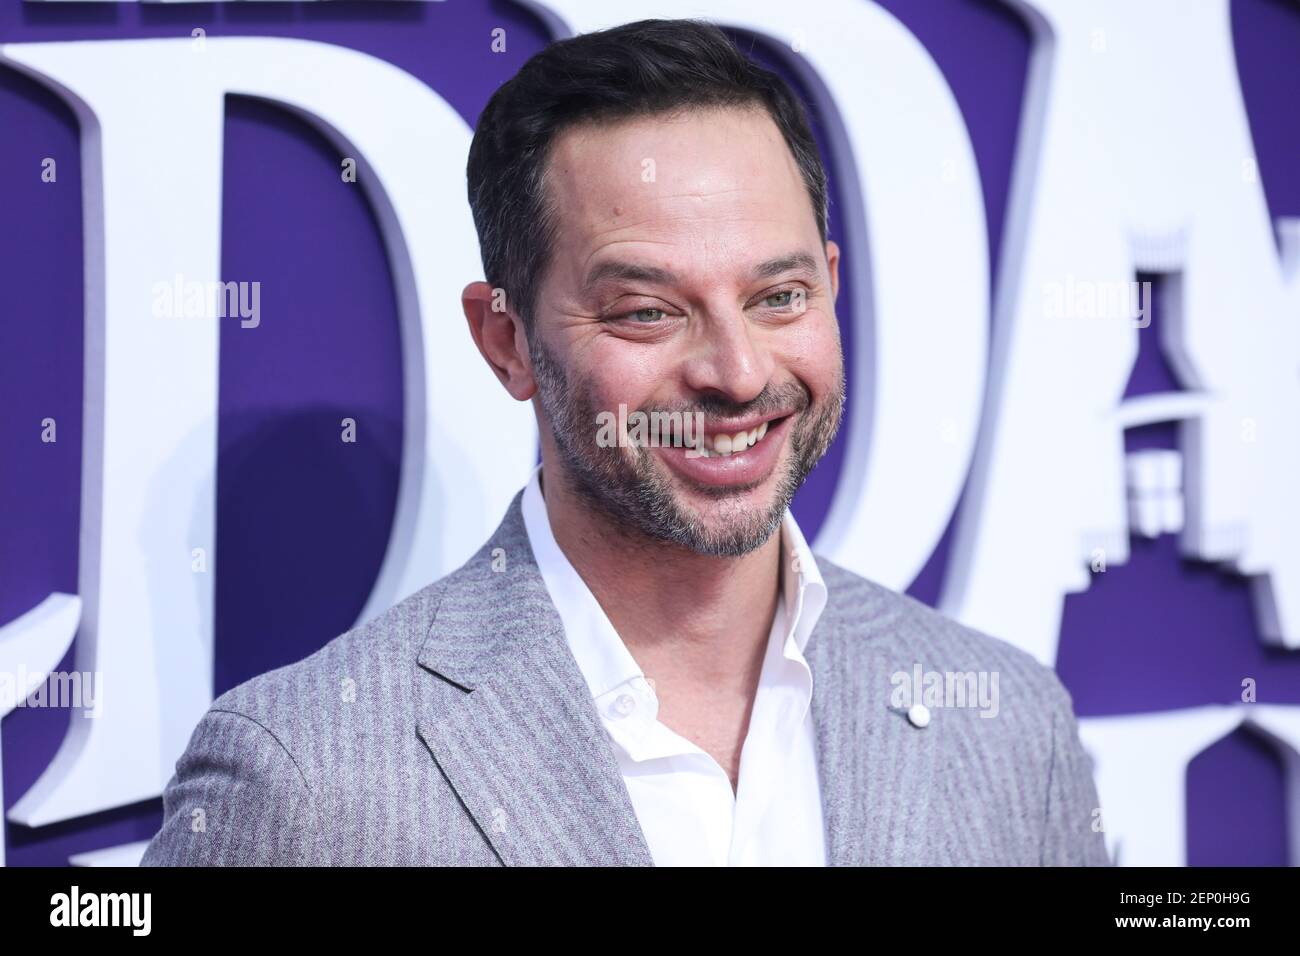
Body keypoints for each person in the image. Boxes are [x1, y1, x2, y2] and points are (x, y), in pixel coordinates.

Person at [141, 17, 1108, 867]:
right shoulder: (303, 778)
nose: (735, 373)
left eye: (779, 297)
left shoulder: (1011, 726)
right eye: (647, 313)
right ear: (507, 342)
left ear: (832, 286)